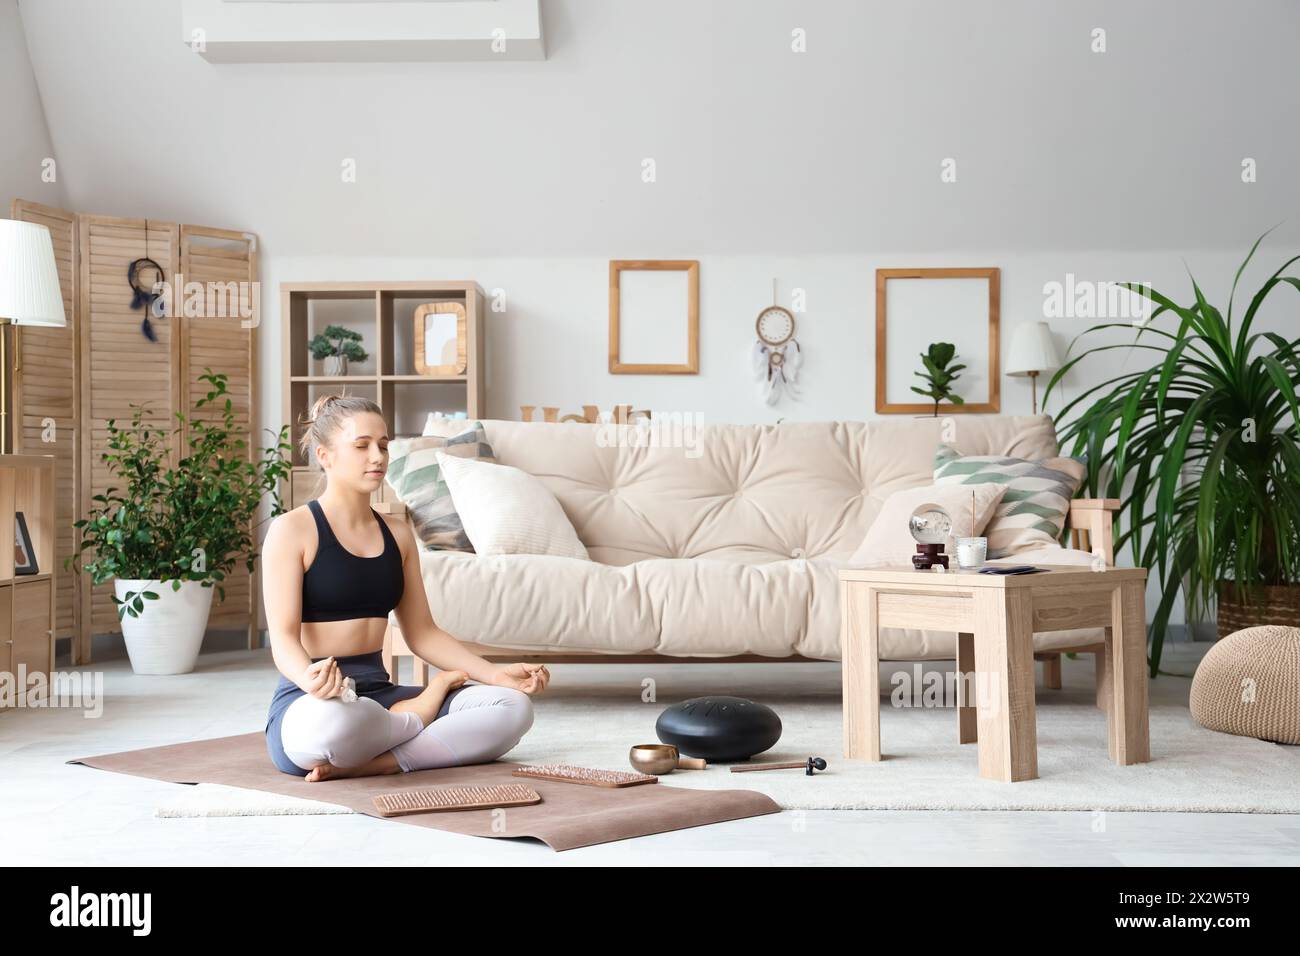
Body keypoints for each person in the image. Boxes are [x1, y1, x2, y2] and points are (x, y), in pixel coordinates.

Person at [262, 394, 548, 781]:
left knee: (512, 708)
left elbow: (423, 633)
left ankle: (378, 761)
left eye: (383, 445)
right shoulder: (291, 530)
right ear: (325, 455)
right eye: (361, 446)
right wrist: (308, 676)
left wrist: (494, 675)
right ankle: (419, 717)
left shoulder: (397, 533)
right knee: (335, 725)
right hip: (314, 702)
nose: (378, 457)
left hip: (379, 697)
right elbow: (281, 637)